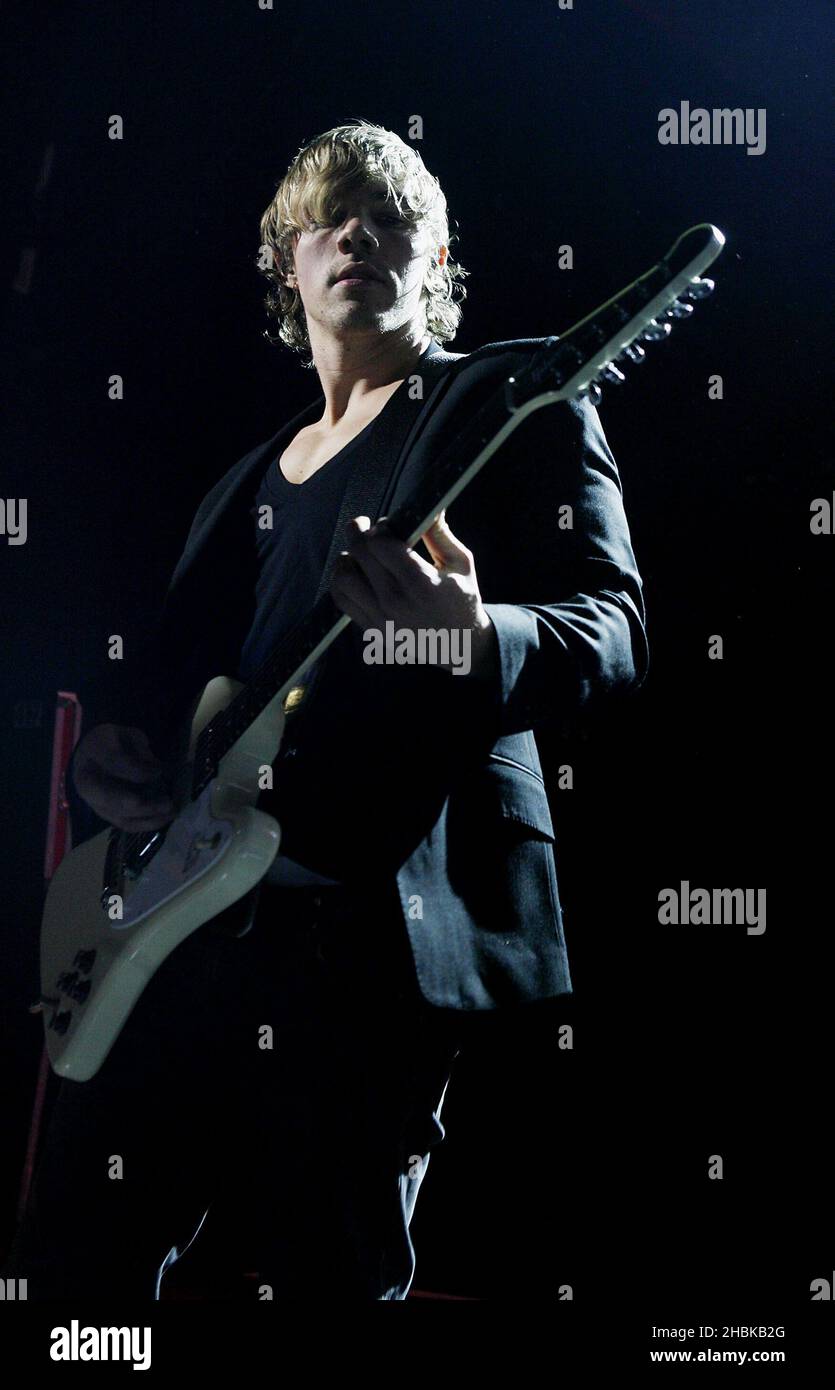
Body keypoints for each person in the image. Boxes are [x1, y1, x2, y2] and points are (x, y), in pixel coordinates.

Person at [2, 119, 649, 1300]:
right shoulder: (241, 486)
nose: (358, 230)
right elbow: (152, 717)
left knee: (326, 1287)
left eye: (391, 213)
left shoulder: (513, 406)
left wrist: (468, 637)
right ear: (287, 268)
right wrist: (110, 764)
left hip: (365, 950)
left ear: (439, 260)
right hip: (179, 938)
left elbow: (613, 633)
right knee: (71, 1278)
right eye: (328, 216)